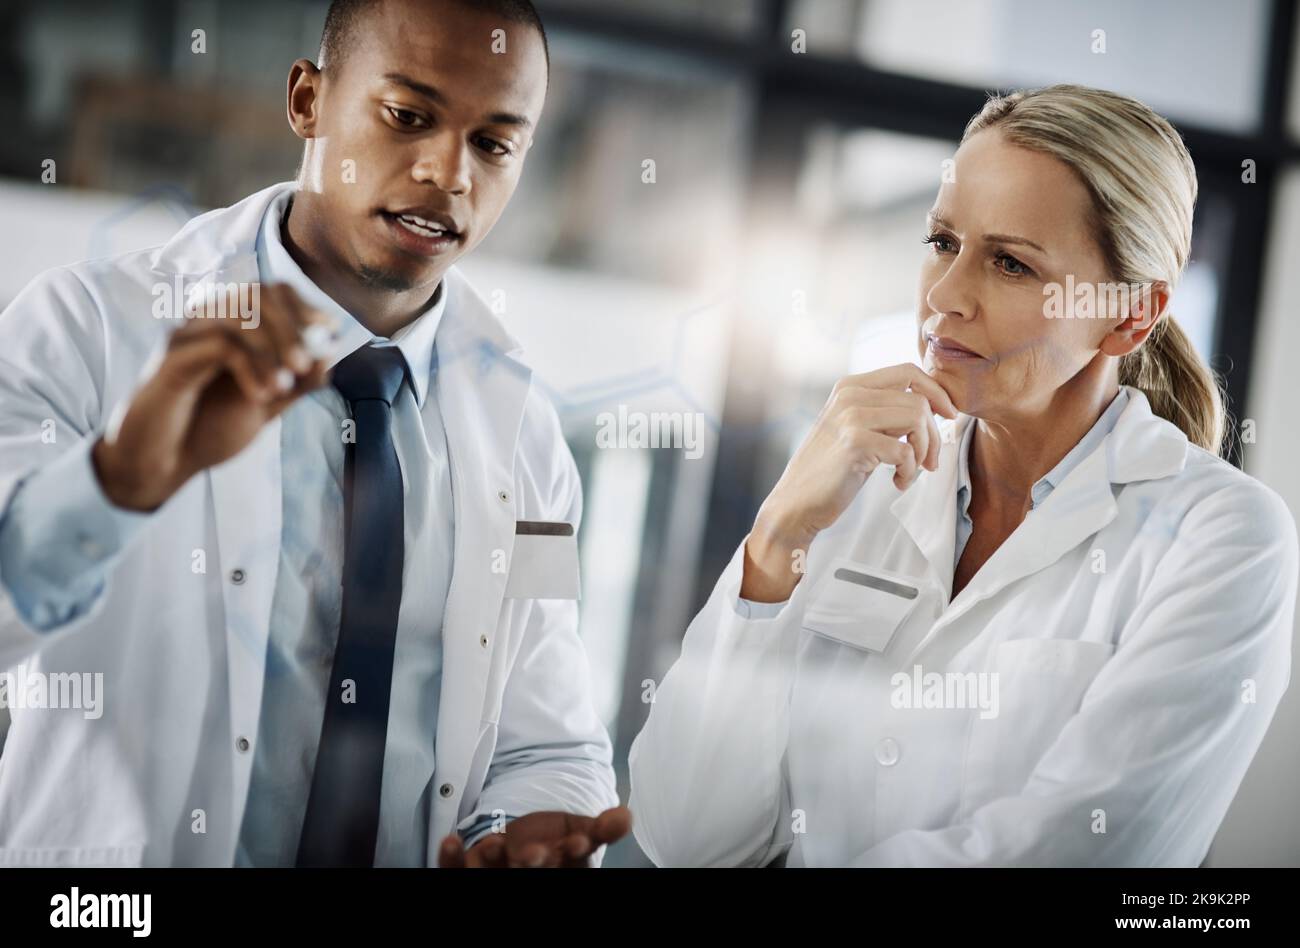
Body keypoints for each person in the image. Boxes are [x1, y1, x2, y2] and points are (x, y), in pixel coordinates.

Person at [0, 0, 629, 868]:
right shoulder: (88, 329)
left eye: (495, 144)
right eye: (409, 116)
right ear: (306, 100)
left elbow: (547, 743)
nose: (450, 172)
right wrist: (115, 482)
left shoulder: (530, 439)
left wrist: (518, 833)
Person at [628, 84, 1298, 867]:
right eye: (943, 242)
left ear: (1129, 314)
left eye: (1009, 263)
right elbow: (686, 834)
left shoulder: (1223, 538)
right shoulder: (860, 483)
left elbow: (1084, 851)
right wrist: (777, 538)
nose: (944, 298)